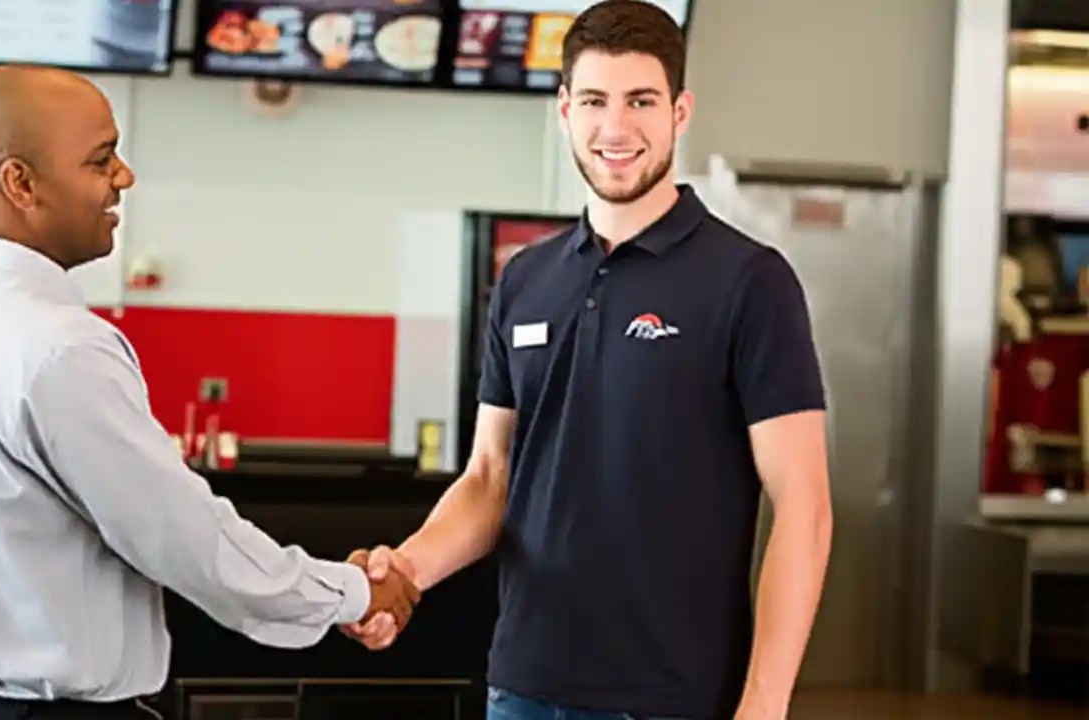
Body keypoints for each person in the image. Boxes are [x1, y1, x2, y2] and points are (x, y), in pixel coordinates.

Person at [0, 65, 420, 720]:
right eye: (101, 159)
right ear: (21, 182)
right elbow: (187, 541)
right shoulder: (59, 346)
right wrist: (355, 593)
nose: (124, 176)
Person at [342, 2, 833, 719]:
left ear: (680, 111)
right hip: (521, 686)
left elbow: (805, 505)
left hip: (673, 698)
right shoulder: (525, 278)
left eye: (641, 101)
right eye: (596, 100)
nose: (617, 128)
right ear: (565, 111)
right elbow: (490, 477)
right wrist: (405, 573)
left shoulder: (749, 281)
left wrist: (764, 701)